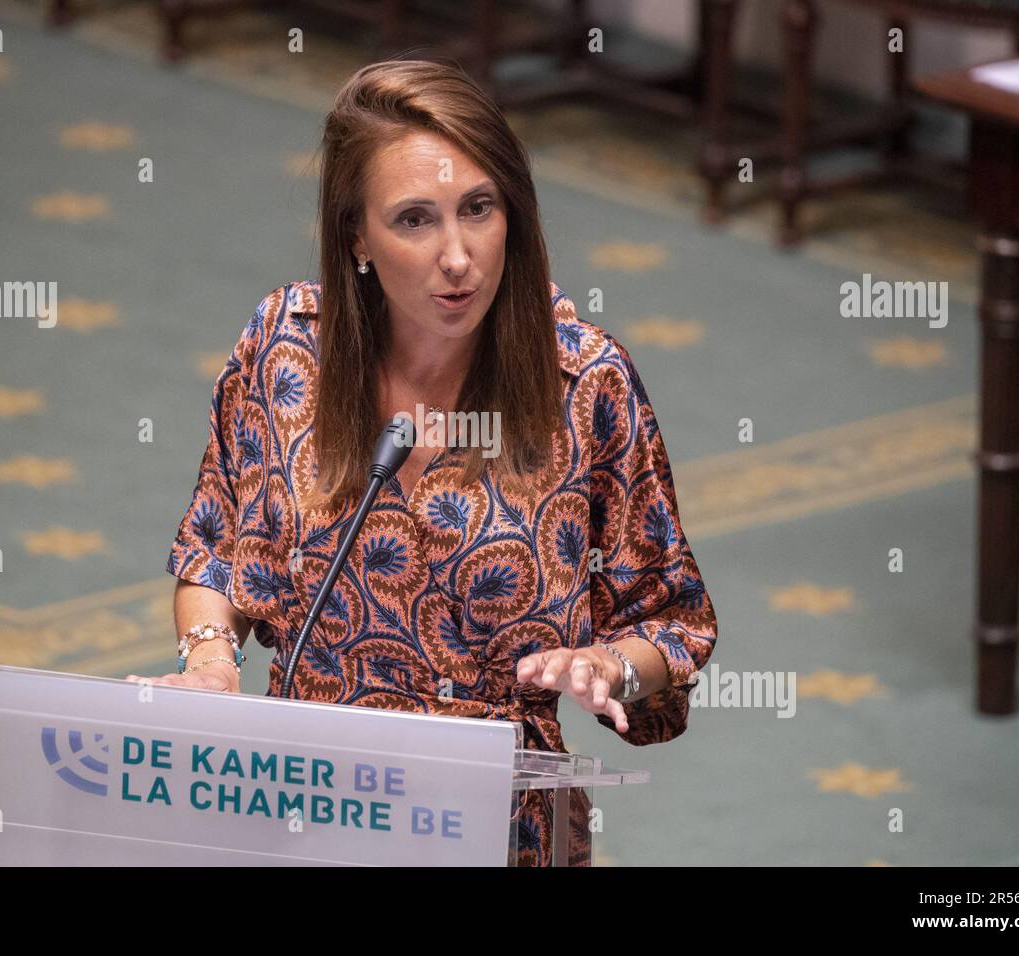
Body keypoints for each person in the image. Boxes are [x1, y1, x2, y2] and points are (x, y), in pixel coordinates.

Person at [129, 57, 718, 866]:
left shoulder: (584, 384)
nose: (457, 256)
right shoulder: (285, 350)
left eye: (478, 209)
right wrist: (208, 661)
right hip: (306, 803)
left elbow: (672, 623)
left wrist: (608, 667)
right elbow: (216, 554)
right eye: (414, 219)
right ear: (356, 237)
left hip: (496, 824)